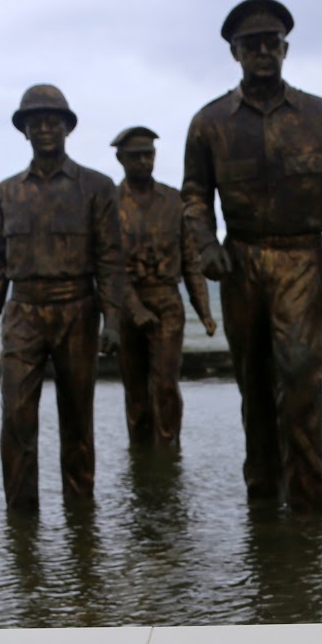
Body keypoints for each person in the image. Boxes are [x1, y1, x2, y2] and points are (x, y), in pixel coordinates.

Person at [181, 0, 322, 512]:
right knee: (256, 389)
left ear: (286, 48)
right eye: (250, 45)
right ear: (234, 54)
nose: (263, 51)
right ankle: (263, 506)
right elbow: (193, 197)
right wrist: (206, 246)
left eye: (271, 43)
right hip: (240, 266)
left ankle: (308, 514)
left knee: (302, 382)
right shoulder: (209, 122)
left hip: (302, 260)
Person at [0, 84, 128, 511]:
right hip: (22, 312)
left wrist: (111, 321)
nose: (44, 128)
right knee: (16, 418)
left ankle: (81, 518)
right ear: (23, 131)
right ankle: (21, 522)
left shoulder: (96, 188)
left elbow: (111, 261)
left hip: (77, 309)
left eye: (52, 121)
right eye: (35, 122)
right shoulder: (6, 193)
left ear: (67, 128)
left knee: (78, 419)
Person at [110, 126, 218, 448]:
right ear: (120, 159)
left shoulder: (174, 200)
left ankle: (168, 451)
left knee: (166, 383)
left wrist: (205, 313)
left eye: (149, 155)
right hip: (127, 304)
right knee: (135, 388)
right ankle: (141, 453)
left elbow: (191, 261)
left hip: (167, 300)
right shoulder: (109, 203)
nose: (144, 162)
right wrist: (135, 308)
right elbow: (109, 267)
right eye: (135, 156)